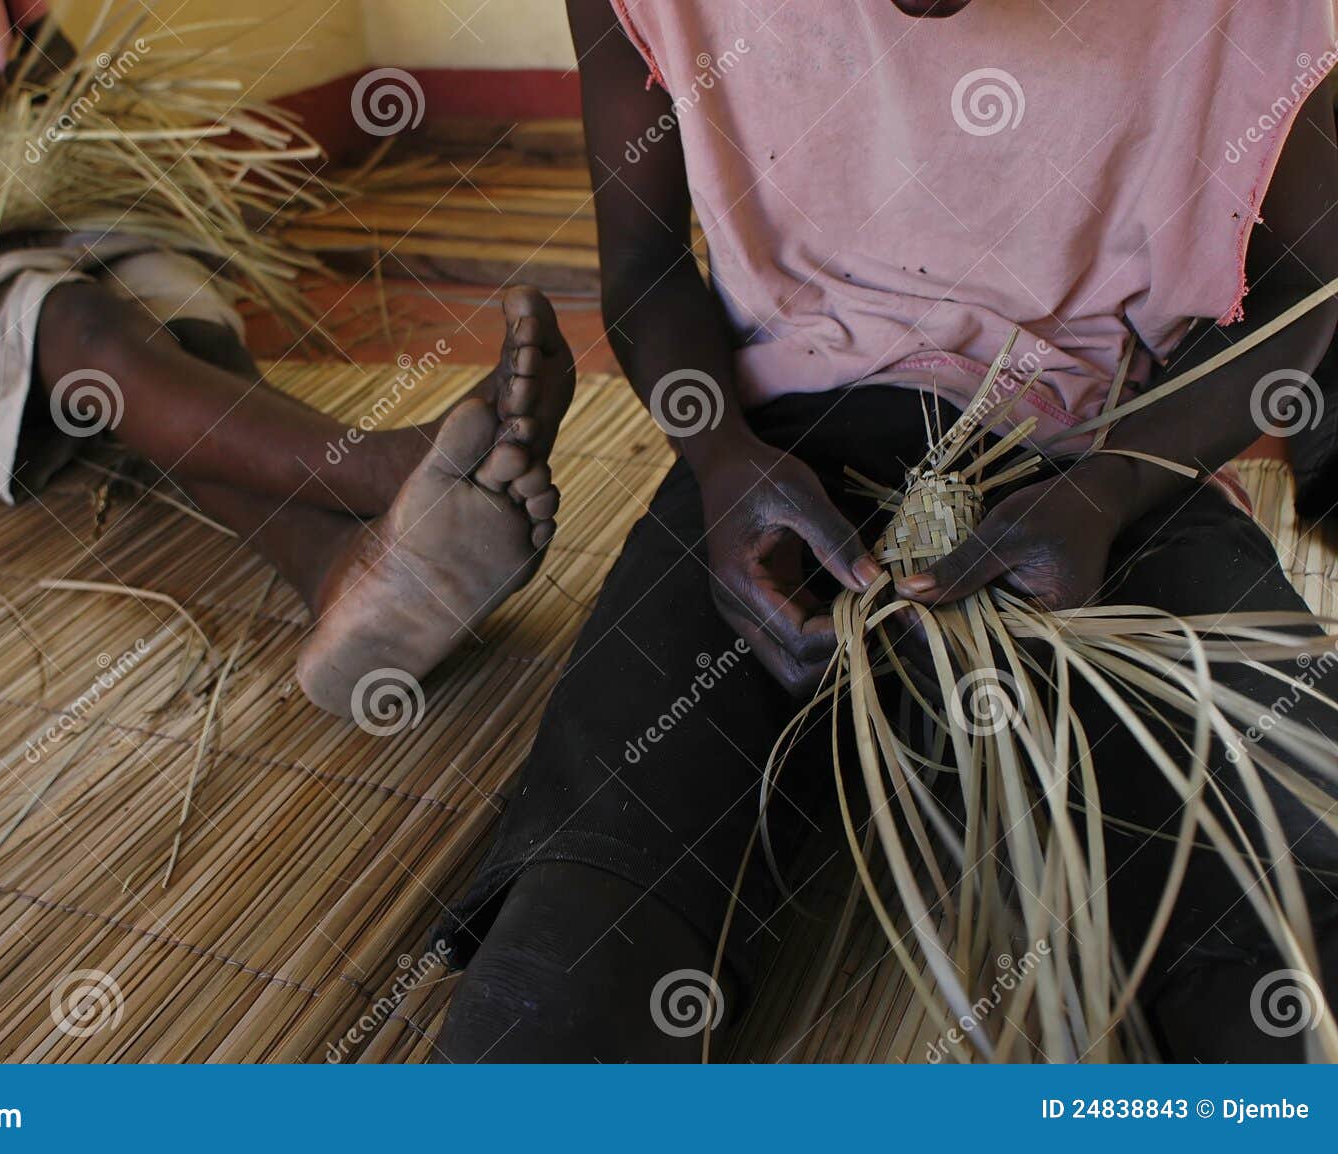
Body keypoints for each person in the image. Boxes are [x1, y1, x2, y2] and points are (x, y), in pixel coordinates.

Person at [435, 0, 1338, 1062]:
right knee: (568, 961)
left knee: (1269, 936)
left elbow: (1301, 285)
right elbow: (642, 260)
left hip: (1113, 459)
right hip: (776, 455)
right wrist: (720, 452)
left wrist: (1108, 490)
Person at [0, 0, 576, 716]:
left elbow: (45, 53)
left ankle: (340, 575)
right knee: (83, 328)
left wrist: (55, 109)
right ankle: (389, 465)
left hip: (51, 213)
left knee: (183, 353)